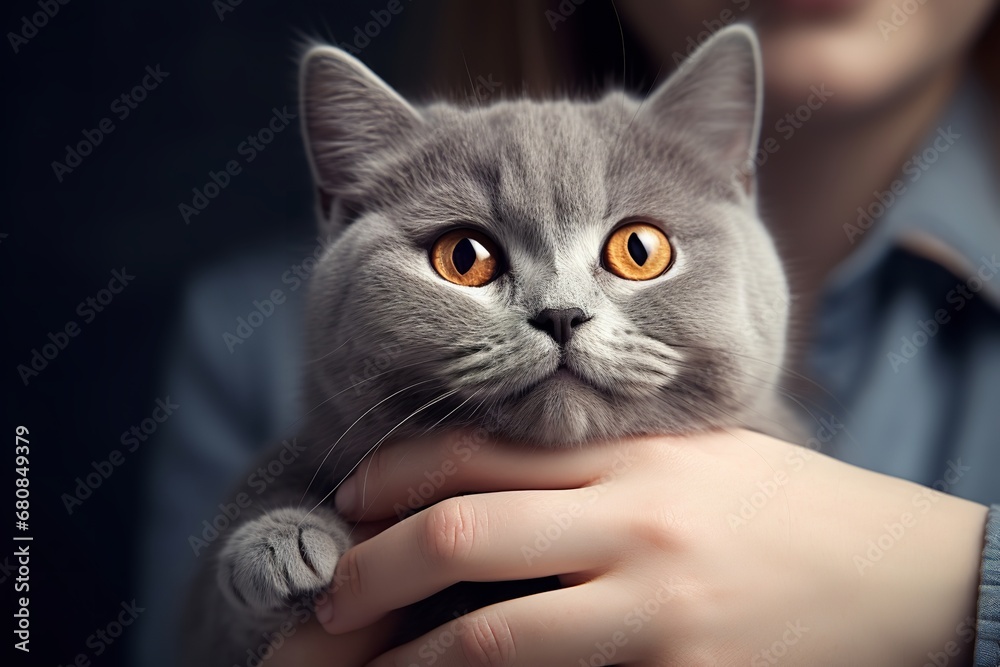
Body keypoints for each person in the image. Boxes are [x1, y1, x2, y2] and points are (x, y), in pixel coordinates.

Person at [135, 0, 1000, 664]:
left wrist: (968, 586)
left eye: (635, 249)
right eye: (469, 257)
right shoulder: (242, 332)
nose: (562, 309)